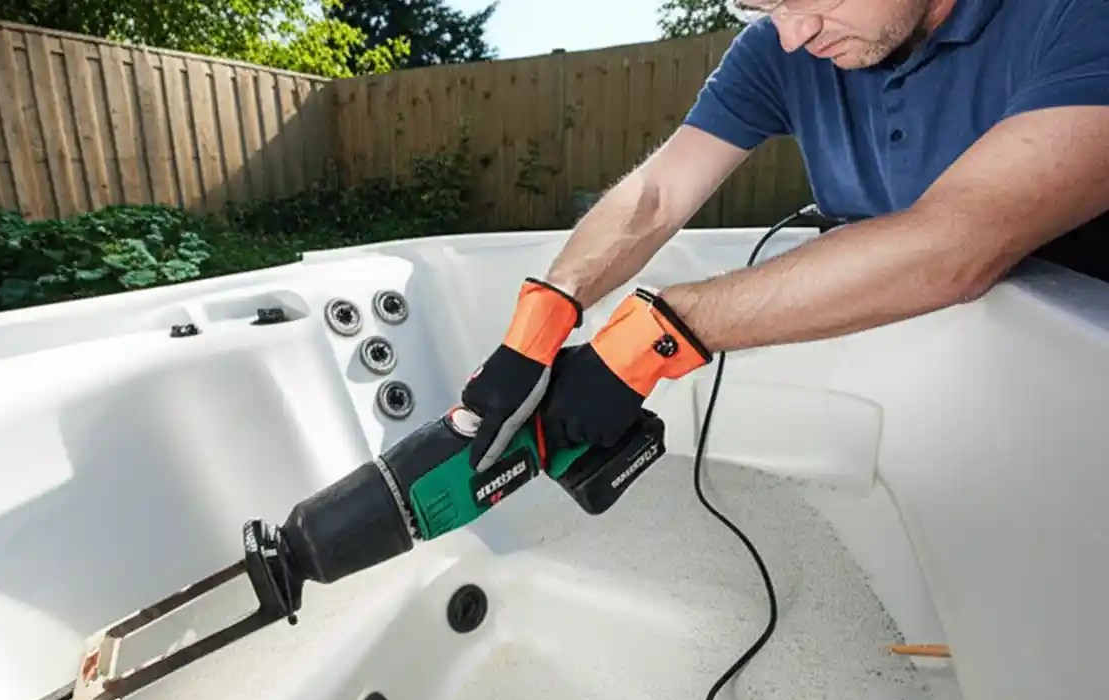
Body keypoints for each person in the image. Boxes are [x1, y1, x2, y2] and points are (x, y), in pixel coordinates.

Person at [460, 0, 1109, 471]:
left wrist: (654, 337)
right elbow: (657, 195)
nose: (793, 36)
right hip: (928, 406)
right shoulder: (785, 43)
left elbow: (958, 242)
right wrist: (543, 315)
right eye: (761, 4)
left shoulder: (1077, 14)